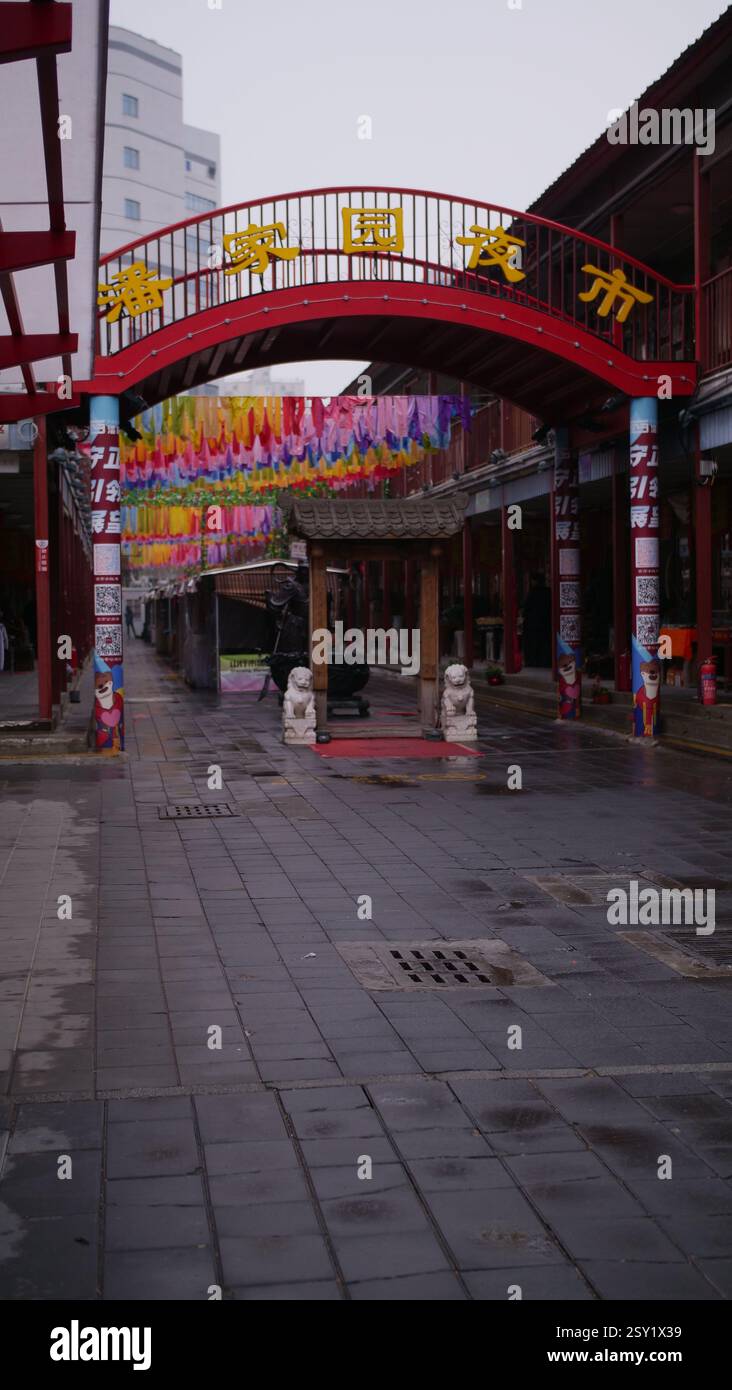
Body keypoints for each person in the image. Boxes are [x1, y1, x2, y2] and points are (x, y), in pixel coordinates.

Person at [521, 573, 552, 667]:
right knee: (545, 643)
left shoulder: (532, 593)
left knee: (533, 644)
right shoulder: (548, 592)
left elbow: (526, 608)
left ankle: (533, 661)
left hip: (533, 624)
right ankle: (545, 661)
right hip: (546, 623)